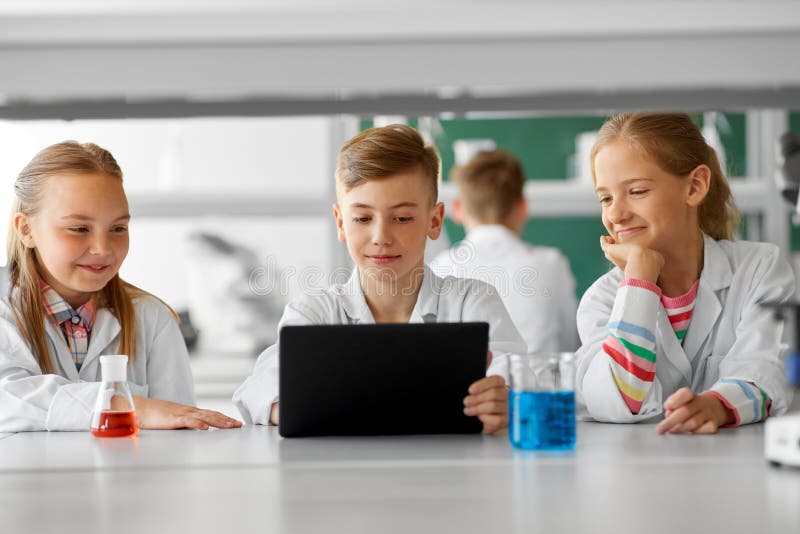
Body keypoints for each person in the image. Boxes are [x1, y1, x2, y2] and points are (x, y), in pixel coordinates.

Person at [233, 125, 526, 433]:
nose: (381, 237)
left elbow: (520, 376)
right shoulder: (314, 312)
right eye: (362, 218)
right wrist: (296, 408)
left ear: (435, 220)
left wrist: (506, 399)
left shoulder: (472, 301)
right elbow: (256, 391)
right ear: (341, 223)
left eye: (401, 218)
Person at [576, 112, 795, 434]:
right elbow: (622, 399)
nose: (616, 214)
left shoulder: (759, 268)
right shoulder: (605, 299)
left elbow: (767, 370)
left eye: (637, 191)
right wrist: (638, 280)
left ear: (694, 186)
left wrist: (718, 405)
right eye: (605, 198)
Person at [0, 141, 242, 432]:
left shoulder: (151, 319)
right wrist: (128, 406)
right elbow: (9, 400)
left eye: (118, 228)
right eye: (79, 228)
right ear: (26, 229)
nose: (103, 249)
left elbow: (179, 432)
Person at [430, 149, 579, 353]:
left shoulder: (439, 268)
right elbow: (571, 348)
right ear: (523, 207)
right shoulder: (551, 264)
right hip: (537, 384)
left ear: (457, 209)